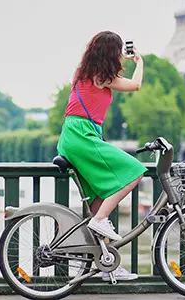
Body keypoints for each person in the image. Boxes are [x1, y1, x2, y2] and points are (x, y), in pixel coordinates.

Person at [56, 30, 146, 281]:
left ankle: (109, 266)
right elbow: (136, 85)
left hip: (72, 137)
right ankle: (101, 219)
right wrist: (139, 62)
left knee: (98, 199)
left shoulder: (84, 74)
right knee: (135, 170)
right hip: (83, 136)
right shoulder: (102, 78)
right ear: (111, 53)